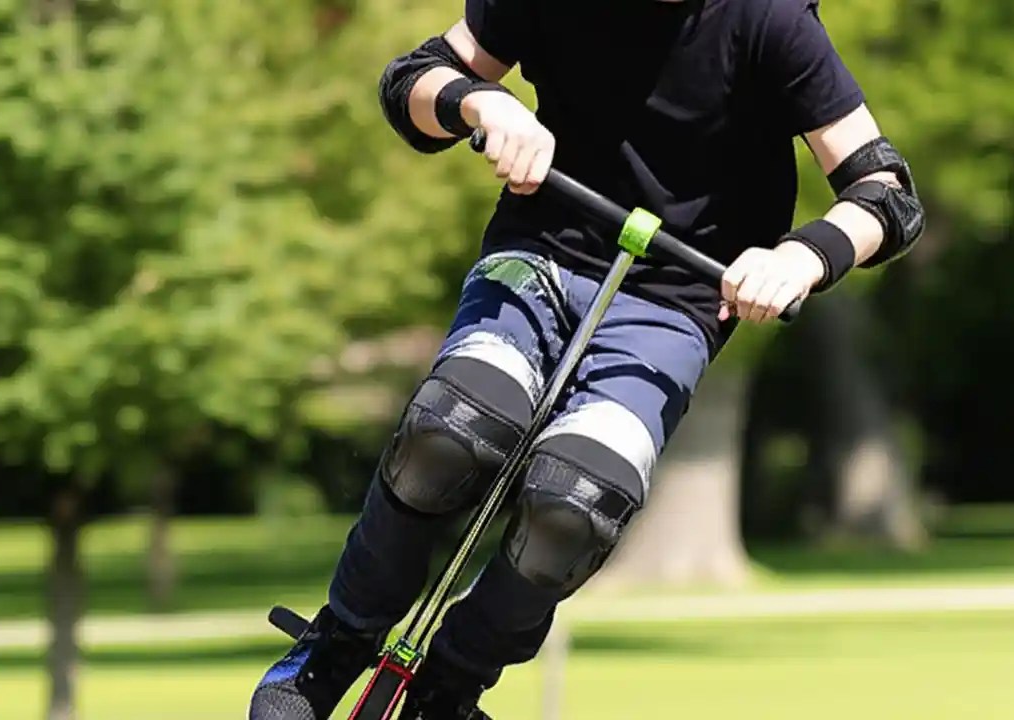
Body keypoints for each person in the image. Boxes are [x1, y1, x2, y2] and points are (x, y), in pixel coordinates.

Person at [250, 0, 924, 717]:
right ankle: (340, 640)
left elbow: (888, 193)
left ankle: (450, 685)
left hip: (673, 302)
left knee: (575, 505)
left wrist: (805, 255)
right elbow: (412, 82)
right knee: (448, 433)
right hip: (538, 253)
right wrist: (479, 103)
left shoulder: (769, 21)